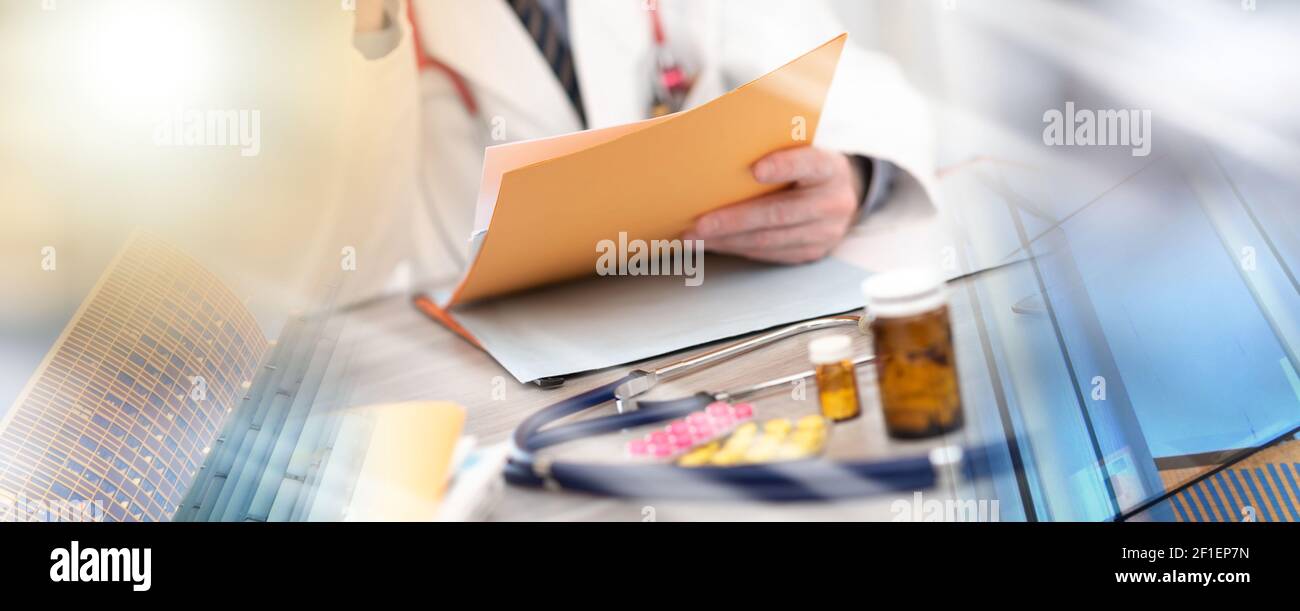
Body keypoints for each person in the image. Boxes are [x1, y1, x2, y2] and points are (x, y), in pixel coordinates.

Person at [335, 0, 933, 300]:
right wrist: (371, 29)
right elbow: (343, 261)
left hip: (707, 306)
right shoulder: (358, 22)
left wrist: (854, 174)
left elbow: (856, 84)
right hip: (490, 364)